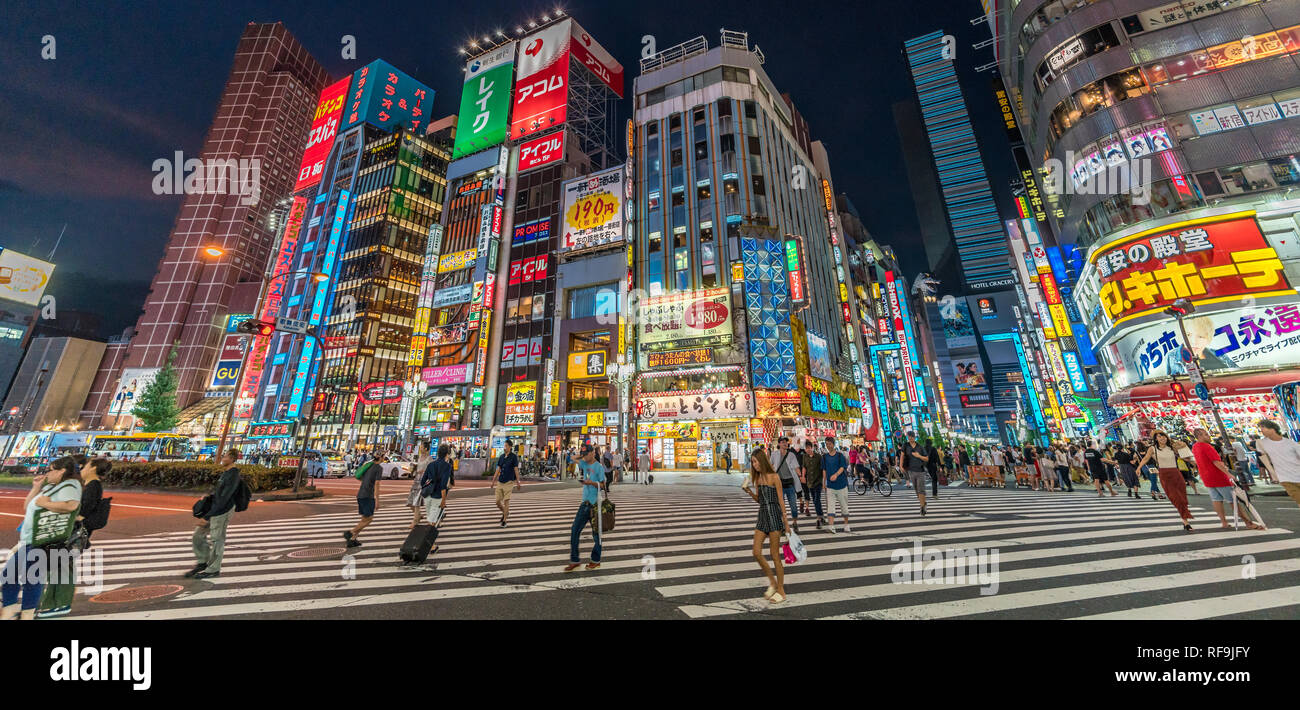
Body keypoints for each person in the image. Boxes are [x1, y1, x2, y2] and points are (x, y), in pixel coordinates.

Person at [1, 457, 82, 620]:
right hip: (31, 538)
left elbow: (71, 506)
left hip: (43, 540)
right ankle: (10, 610)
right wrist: (36, 488)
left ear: (61, 471)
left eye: (50, 469)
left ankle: (26, 614)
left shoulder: (71, 485)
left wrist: (45, 503)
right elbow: (28, 506)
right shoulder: (52, 487)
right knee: (11, 574)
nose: (47, 473)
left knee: (31, 579)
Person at [37, 457, 112, 618]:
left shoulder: (93, 486)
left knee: (63, 567)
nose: (82, 469)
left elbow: (82, 512)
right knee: (58, 566)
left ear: (93, 468)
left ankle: (60, 604)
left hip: (74, 533)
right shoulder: (90, 486)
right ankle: (51, 604)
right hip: (73, 532)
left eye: (85, 466)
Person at [740, 448, 790, 604]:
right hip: (762, 517)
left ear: (762, 460)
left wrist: (786, 523)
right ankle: (772, 582)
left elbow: (781, 501)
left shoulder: (774, 477)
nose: (754, 465)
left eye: (755, 461)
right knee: (756, 552)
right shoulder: (758, 479)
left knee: (775, 556)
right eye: (752, 462)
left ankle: (781, 591)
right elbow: (760, 500)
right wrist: (749, 491)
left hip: (774, 517)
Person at [1191, 428, 1263, 530]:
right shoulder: (1207, 447)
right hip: (1218, 476)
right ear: (1199, 436)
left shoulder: (1195, 447)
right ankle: (1248, 523)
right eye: (1206, 434)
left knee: (1216, 499)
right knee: (1233, 500)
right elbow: (1216, 462)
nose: (1209, 436)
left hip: (1206, 477)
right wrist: (1228, 474)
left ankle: (1224, 522)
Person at [188, 449, 242, 579]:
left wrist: (207, 517)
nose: (223, 458)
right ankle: (203, 562)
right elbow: (219, 494)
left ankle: (213, 569)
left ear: (232, 458)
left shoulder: (233, 475)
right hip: (215, 508)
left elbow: (225, 497)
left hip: (222, 510)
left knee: (217, 539)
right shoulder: (226, 473)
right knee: (198, 535)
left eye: (225, 456)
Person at [1137, 430, 1193, 530]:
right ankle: (1185, 520)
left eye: (1164, 436)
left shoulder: (1172, 447)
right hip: (1164, 474)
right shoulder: (1152, 448)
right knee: (1175, 497)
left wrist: (1191, 458)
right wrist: (1138, 468)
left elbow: (1184, 452)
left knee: (1182, 497)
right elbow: (1145, 458)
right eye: (1159, 437)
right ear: (1156, 439)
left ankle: (1185, 521)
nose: (1162, 438)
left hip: (1176, 473)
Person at [564, 445, 606, 572]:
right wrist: (582, 455)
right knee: (574, 530)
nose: (585, 456)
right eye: (584, 454)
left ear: (593, 453)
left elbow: (603, 485)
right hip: (585, 503)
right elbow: (571, 457)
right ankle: (575, 560)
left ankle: (595, 560)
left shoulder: (598, 467)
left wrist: (591, 483)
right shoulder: (584, 463)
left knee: (596, 534)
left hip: (595, 504)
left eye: (587, 453)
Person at [343, 451, 385, 549]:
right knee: (369, 519)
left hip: (361, 494)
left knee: (364, 518)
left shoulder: (368, 465)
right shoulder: (379, 468)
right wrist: (377, 500)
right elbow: (377, 484)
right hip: (368, 496)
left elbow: (361, 477)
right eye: (384, 457)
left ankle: (353, 539)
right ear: (381, 458)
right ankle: (350, 533)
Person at [1254, 419, 1300, 507]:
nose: (1261, 430)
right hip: (1285, 478)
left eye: (1263, 428)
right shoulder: (1261, 443)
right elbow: (1264, 457)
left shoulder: (1291, 443)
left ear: (1272, 429)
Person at [419, 445, 453, 538]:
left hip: (427, 495)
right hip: (437, 496)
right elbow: (443, 485)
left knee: (430, 519)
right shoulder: (447, 466)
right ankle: (426, 544)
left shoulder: (431, 465)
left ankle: (428, 543)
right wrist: (443, 500)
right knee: (432, 522)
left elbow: (422, 481)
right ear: (447, 454)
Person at [771, 437, 803, 532]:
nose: (785, 444)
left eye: (786, 442)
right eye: (783, 442)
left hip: (790, 484)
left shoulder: (791, 455)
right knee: (781, 507)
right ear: (779, 444)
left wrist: (801, 476)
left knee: (793, 506)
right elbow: (771, 466)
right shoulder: (774, 454)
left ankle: (795, 522)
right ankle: (783, 525)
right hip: (779, 485)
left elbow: (797, 467)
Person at [822, 437, 851, 533]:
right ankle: (831, 526)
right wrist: (824, 482)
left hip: (841, 485)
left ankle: (846, 524)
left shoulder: (840, 456)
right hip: (830, 485)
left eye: (829, 443)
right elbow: (824, 470)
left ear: (833, 444)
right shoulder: (825, 457)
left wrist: (836, 475)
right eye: (826, 444)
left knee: (844, 506)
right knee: (830, 506)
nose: (828, 445)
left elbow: (843, 467)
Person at [491, 439, 522, 527]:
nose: (505, 447)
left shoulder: (513, 457)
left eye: (506, 446)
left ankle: (504, 520)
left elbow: (516, 469)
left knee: (506, 501)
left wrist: (518, 482)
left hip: (509, 481)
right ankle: (505, 512)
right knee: (497, 501)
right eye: (504, 446)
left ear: (510, 447)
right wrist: (493, 481)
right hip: (500, 481)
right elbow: (498, 469)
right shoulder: (501, 456)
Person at [900, 432, 930, 515]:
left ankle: (922, 507)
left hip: (920, 471)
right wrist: (900, 465)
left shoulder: (920, 447)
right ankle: (923, 503)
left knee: (921, 490)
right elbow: (902, 456)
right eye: (909, 437)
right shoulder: (905, 445)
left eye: (912, 437)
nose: (910, 438)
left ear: (914, 437)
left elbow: (926, 459)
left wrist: (918, 456)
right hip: (911, 471)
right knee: (917, 490)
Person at [406, 440, 433, 530]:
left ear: (426, 448)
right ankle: (419, 515)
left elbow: (431, 472)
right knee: (410, 502)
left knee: (417, 501)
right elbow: (417, 467)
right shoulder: (419, 457)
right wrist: (413, 469)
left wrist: (423, 472)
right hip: (416, 480)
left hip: (423, 482)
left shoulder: (430, 459)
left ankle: (415, 520)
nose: (420, 448)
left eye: (421, 447)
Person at [800, 440, 825, 529]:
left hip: (818, 481)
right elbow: (804, 467)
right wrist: (802, 476)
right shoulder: (804, 457)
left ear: (812, 448)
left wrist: (824, 481)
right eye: (806, 448)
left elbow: (823, 469)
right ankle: (821, 516)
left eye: (809, 448)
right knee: (815, 500)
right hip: (809, 482)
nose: (808, 449)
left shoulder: (818, 457)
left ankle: (818, 519)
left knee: (816, 500)